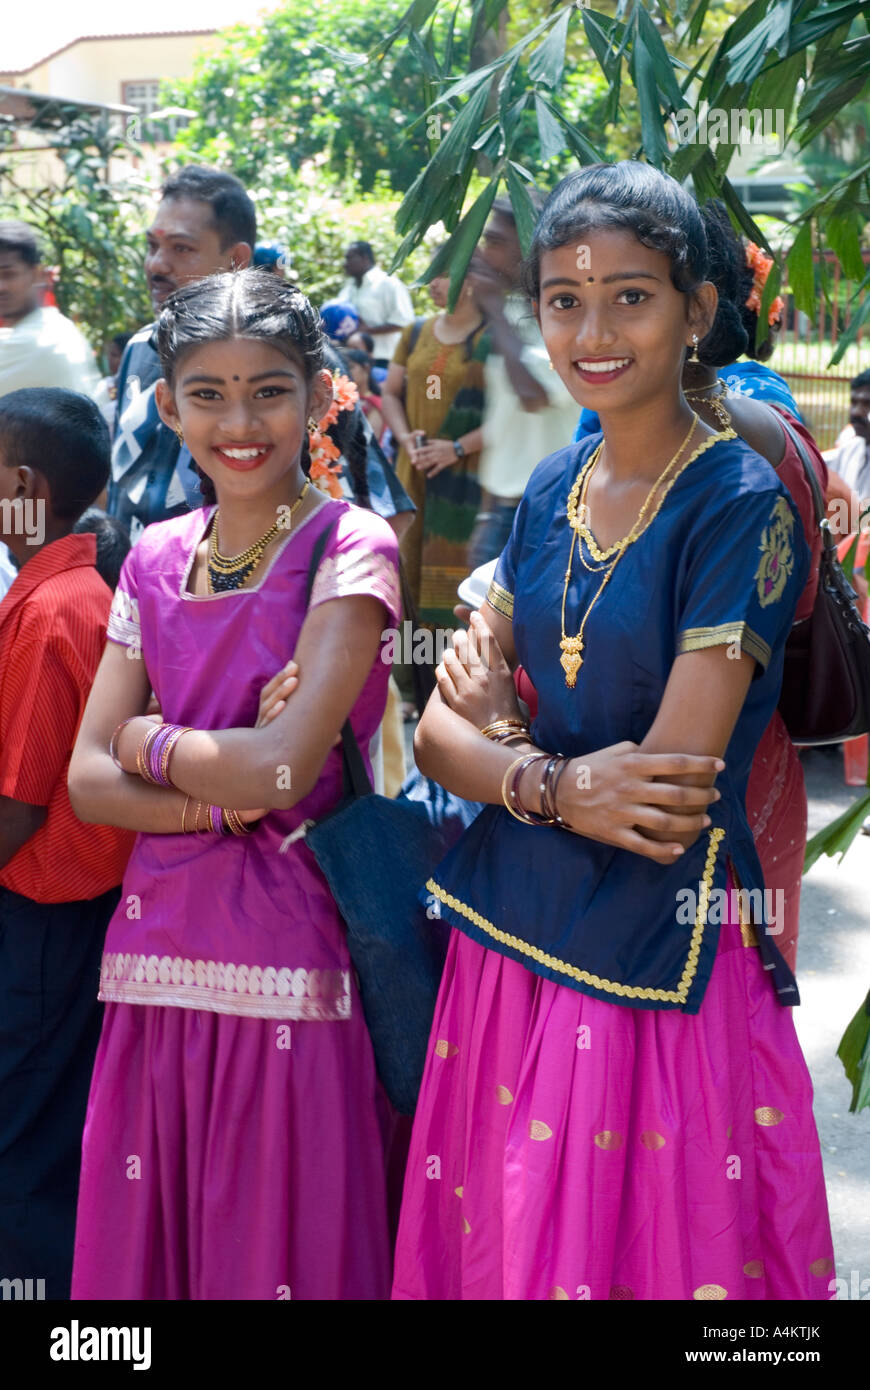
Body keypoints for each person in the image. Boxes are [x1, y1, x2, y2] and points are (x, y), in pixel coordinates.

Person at [392, 161, 833, 1301]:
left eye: (631, 296)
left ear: (697, 309)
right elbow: (435, 737)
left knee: (635, 1254)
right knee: (509, 1242)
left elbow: (666, 792)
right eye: (563, 298)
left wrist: (503, 753)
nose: (592, 329)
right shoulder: (549, 487)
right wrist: (551, 781)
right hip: (515, 945)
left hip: (653, 958)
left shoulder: (738, 502)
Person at [68, 269, 403, 1301]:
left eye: (268, 389)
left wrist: (144, 737)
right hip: (153, 965)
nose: (239, 420)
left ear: (320, 395)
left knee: (276, 1255)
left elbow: (287, 765)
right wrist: (219, 785)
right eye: (206, 393)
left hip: (296, 963)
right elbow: (84, 782)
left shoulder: (350, 547)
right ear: (167, 405)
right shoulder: (154, 560)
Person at [0, 388, 134, 1299]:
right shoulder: (60, 590)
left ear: (19, 485)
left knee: (22, 1147)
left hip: (44, 918)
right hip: (61, 918)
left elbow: (18, 805)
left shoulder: (55, 611)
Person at [109, 168, 413, 547]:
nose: (156, 265)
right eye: (153, 246)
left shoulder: (298, 363)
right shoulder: (140, 350)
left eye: (181, 248)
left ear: (237, 259)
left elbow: (387, 513)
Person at [464, 197, 581, 571]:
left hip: (552, 512)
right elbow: (505, 424)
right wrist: (485, 517)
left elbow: (532, 395)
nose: (483, 256)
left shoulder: (565, 315)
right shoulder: (512, 313)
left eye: (495, 243)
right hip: (503, 508)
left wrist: (494, 310)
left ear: (529, 248)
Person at [381, 267, 488, 627]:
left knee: (457, 574)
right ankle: (410, 674)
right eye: (432, 275)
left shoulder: (493, 339)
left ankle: (454, 671)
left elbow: (512, 418)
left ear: (472, 280)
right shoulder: (414, 332)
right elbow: (391, 393)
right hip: (414, 468)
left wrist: (457, 448)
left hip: (467, 479)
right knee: (405, 566)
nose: (434, 284)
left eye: (443, 274)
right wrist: (404, 436)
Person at [0, 223, 100, 399]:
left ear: (37, 274)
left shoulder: (30, 342)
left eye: (9, 275)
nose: (1, 287)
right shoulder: (60, 326)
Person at [339, 241, 415, 369]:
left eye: (349, 258)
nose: (345, 264)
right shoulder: (349, 287)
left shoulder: (388, 284)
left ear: (365, 258)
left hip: (385, 360)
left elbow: (405, 322)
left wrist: (368, 330)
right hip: (354, 360)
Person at [344, 347, 386, 444]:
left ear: (366, 368)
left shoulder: (374, 402)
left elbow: (370, 440)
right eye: (345, 368)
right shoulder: (344, 399)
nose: (347, 372)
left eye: (351, 367)